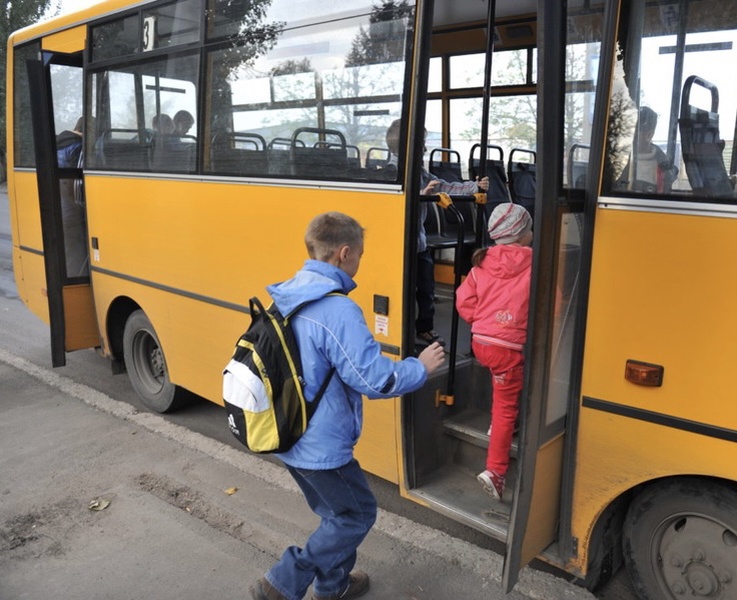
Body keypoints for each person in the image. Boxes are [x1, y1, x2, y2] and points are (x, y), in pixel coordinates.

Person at [249, 212, 445, 600]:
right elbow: (373, 379)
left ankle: (333, 586)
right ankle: (284, 580)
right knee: (357, 514)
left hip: (288, 431)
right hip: (321, 445)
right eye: (359, 255)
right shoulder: (336, 310)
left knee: (336, 516)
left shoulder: (288, 292)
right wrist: (418, 369)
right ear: (343, 253)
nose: (359, 262)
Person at [385, 119, 489, 347]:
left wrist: (474, 186)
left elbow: (446, 186)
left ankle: (424, 327)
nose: (423, 146)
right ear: (404, 145)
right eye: (420, 141)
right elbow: (390, 207)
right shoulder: (389, 172)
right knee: (402, 288)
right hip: (398, 244)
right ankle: (398, 330)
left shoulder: (420, 172)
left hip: (419, 243)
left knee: (426, 288)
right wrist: (419, 195)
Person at [455, 202, 533, 501]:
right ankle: (496, 472)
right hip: (510, 347)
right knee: (505, 405)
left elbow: (464, 302)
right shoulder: (535, 263)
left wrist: (484, 321)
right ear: (523, 234)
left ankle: (502, 425)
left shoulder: (481, 263)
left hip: (481, 343)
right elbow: (552, 304)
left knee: (502, 385)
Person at [56, 117, 87, 277]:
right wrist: (77, 207)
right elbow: (72, 181)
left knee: (69, 248)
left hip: (59, 205)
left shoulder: (60, 143)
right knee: (76, 250)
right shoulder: (77, 146)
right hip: (71, 208)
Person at [631, 106, 678, 193]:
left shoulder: (664, 167)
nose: (629, 139)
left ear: (649, 135)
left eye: (633, 134)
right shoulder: (620, 161)